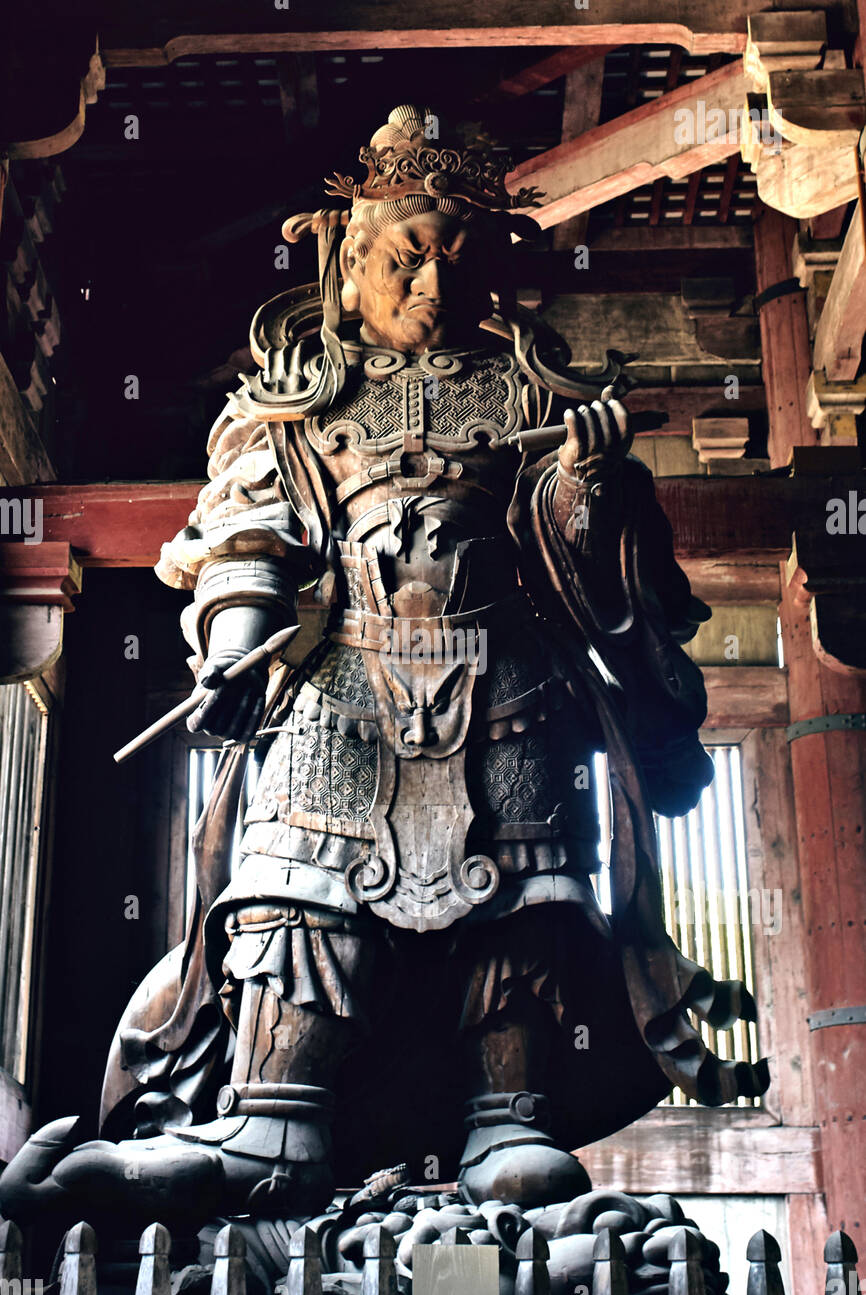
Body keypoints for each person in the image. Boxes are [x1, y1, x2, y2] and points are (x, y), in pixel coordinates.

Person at [0, 106, 767, 1230]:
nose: (430, 282)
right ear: (348, 261)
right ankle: (271, 1116)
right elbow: (247, 537)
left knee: (517, 895)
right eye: (406, 254)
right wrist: (227, 652)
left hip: (503, 695)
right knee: (293, 895)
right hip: (337, 701)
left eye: (457, 255)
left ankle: (506, 1114)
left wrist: (588, 483)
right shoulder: (295, 402)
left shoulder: (534, 396)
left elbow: (596, 580)